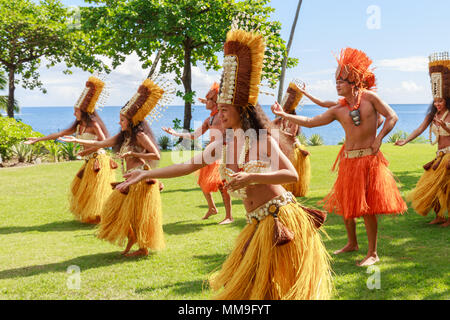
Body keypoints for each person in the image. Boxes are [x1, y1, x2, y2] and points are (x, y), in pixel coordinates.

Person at [116, 26, 333, 300]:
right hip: (256, 223)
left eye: (225, 109)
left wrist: (253, 178)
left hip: (280, 219)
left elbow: (290, 175)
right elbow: (188, 165)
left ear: (242, 111)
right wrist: (143, 176)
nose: (220, 114)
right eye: (219, 109)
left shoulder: (262, 140)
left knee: (267, 290)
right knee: (254, 290)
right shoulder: (225, 144)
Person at [272, 47, 407, 266]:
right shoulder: (338, 109)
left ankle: (372, 252)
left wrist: (379, 138)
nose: (337, 85)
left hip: (369, 161)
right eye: (336, 81)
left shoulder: (370, 98)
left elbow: (392, 116)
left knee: (368, 208)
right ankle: (352, 243)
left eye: (341, 81)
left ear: (353, 82)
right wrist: (283, 114)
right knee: (347, 204)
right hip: (349, 160)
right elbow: (311, 121)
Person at [61, 78, 168, 256]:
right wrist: (78, 141)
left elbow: (155, 154)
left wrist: (134, 154)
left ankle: (142, 248)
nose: (120, 123)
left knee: (135, 214)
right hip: (129, 180)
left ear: (132, 121)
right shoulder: (124, 136)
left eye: (123, 120)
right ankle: (133, 239)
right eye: (120, 119)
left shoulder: (140, 135)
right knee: (115, 212)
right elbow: (102, 142)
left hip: (140, 179)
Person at [25, 76, 116, 224]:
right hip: (88, 161)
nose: (74, 114)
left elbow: (104, 142)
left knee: (97, 191)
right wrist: (37, 139)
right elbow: (59, 134)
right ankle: (96, 216)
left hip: (98, 161)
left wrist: (86, 151)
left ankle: (102, 217)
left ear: (84, 111)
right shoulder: (78, 125)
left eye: (76, 111)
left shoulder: (93, 124)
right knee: (79, 189)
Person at [162, 83, 233, 224]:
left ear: (215, 102)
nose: (205, 102)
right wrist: (175, 133)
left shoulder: (223, 116)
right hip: (211, 154)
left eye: (208, 100)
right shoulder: (209, 119)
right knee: (202, 181)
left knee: (222, 185)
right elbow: (195, 135)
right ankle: (212, 208)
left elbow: (231, 132)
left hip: (223, 153)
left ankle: (229, 216)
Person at [395, 52, 450, 227]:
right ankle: (440, 216)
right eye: (435, 101)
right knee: (430, 185)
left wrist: (445, 125)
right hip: (439, 156)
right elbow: (419, 129)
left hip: (449, 156)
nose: (437, 104)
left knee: (447, 188)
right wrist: (405, 140)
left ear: (447, 100)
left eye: (440, 101)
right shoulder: (433, 114)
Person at [272, 80, 311, 197]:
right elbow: (267, 125)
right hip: (284, 149)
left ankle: (293, 191)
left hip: (293, 149)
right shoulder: (280, 119)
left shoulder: (294, 118)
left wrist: (278, 133)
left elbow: (292, 135)